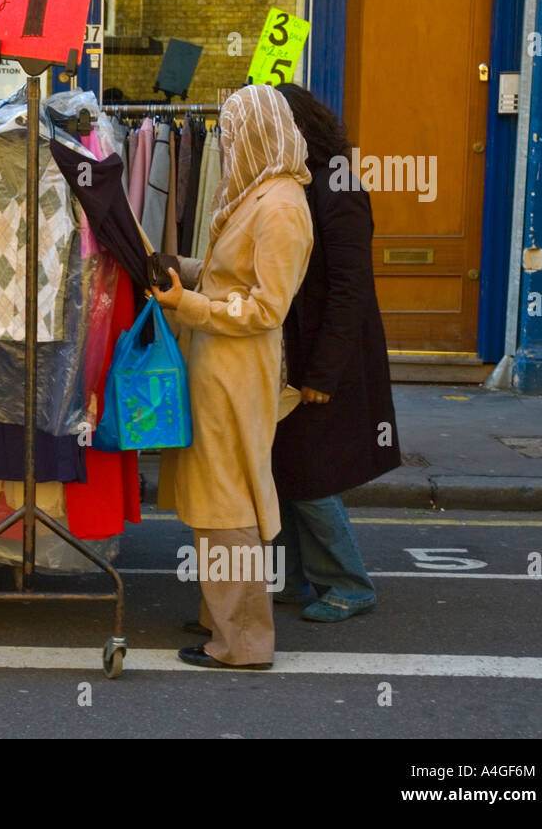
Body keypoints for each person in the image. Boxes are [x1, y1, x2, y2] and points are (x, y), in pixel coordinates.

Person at [151, 83, 314, 670]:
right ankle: (217, 617)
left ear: (262, 132)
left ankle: (242, 642)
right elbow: (228, 276)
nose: (227, 141)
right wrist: (180, 270)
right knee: (216, 497)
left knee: (231, 504)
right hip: (218, 365)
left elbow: (267, 308)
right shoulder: (261, 193)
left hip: (237, 369)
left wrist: (190, 306)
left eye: (234, 130)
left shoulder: (282, 206)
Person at [269, 82, 401, 621]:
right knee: (284, 467)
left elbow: (350, 286)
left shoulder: (338, 183)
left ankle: (350, 583)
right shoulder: (300, 181)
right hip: (298, 352)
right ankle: (291, 578)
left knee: (309, 469)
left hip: (329, 356)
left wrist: (323, 372)